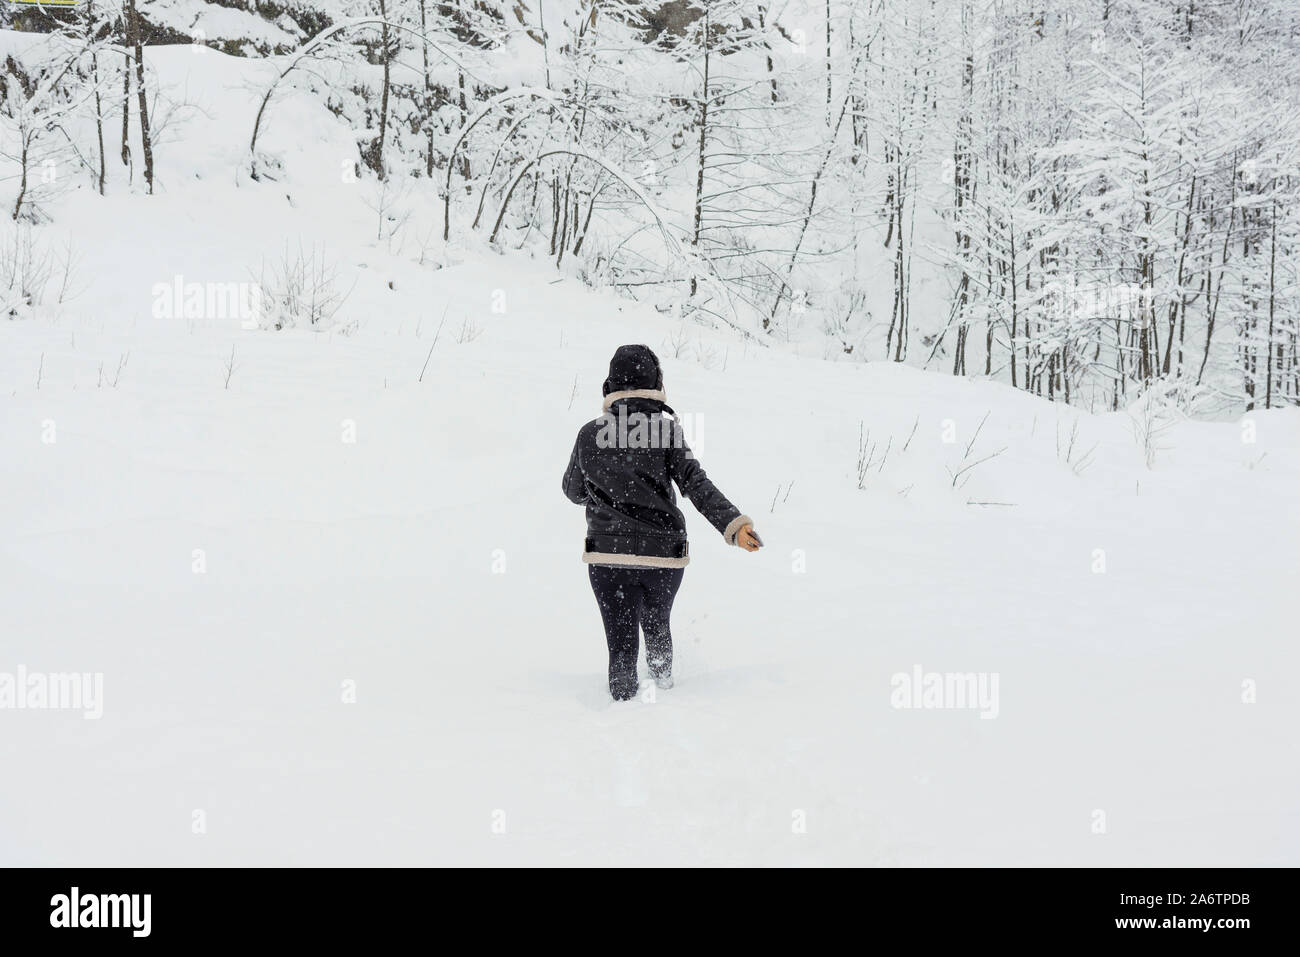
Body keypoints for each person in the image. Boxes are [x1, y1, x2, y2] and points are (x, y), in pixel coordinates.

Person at [562, 344, 761, 701]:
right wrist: (734, 525)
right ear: (655, 383)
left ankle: (623, 713)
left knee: (621, 647)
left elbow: (573, 491)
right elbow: (695, 484)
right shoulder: (666, 431)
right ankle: (666, 693)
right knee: (656, 628)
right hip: (663, 558)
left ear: (611, 385)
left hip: (609, 559)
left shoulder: (589, 433)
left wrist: (603, 492)